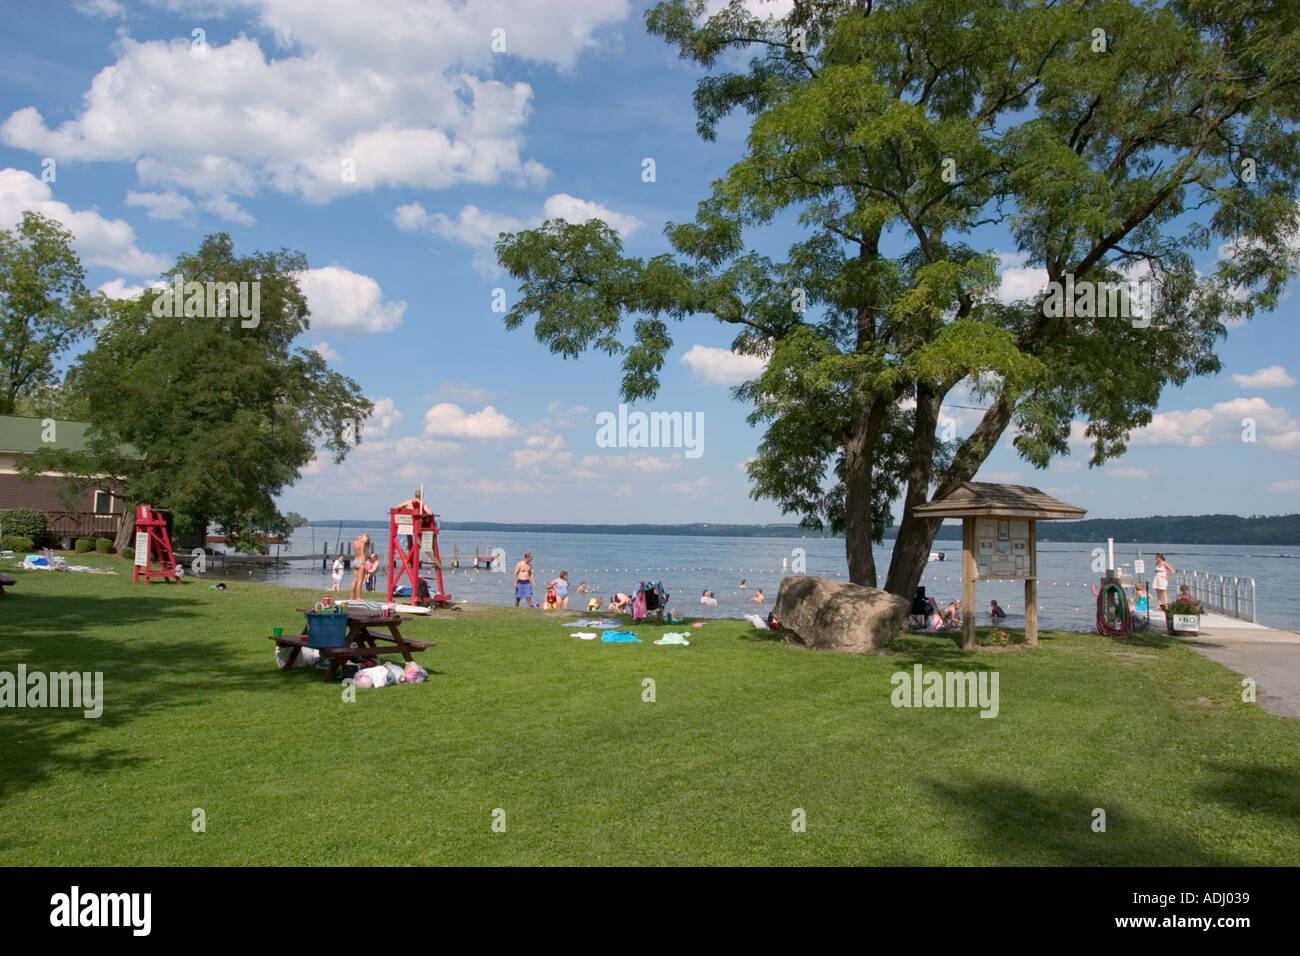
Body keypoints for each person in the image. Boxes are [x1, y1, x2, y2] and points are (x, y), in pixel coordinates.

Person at [349, 533, 370, 599]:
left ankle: (352, 597)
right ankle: (359, 598)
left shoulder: (355, 542)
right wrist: (365, 564)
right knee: (360, 581)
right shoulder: (362, 544)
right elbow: (362, 554)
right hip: (361, 562)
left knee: (354, 581)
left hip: (355, 561)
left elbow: (357, 552)